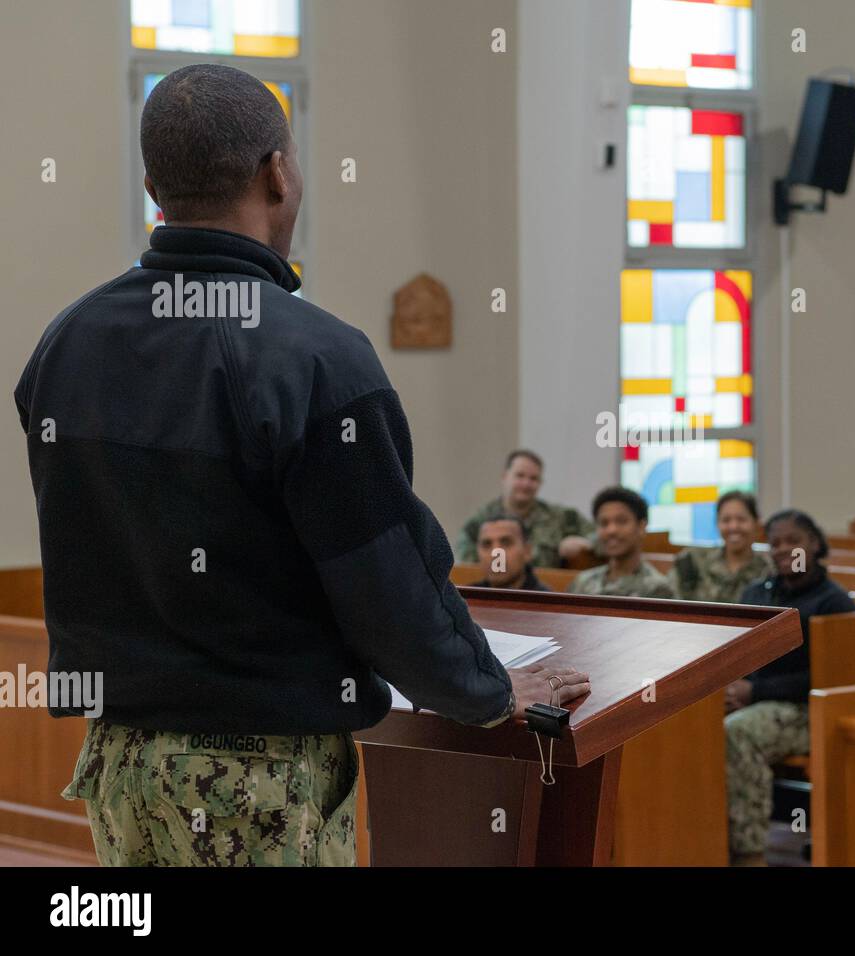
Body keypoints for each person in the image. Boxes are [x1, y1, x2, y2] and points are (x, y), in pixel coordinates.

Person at [13, 64, 589, 867]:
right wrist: (488, 691)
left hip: (120, 766)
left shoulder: (66, 343)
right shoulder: (315, 357)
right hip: (255, 780)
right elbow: (385, 584)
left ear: (153, 186)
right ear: (277, 173)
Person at [727, 510, 855, 865]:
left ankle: (750, 851)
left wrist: (755, 692)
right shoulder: (757, 593)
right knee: (688, 721)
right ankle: (697, 838)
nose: (784, 549)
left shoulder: (834, 602)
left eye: (793, 541)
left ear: (814, 544)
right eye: (775, 543)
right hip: (753, 700)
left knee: (738, 733)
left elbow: (833, 676)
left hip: (807, 709)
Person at [457, 450, 595, 567]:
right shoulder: (484, 519)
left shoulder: (563, 517)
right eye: (520, 476)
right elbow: (465, 559)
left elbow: (605, 539)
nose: (526, 484)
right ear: (505, 477)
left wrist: (586, 544)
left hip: (547, 592)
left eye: (533, 479)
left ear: (540, 483)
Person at [568, 487, 675, 598]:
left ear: (641, 527)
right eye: (604, 523)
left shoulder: (657, 589)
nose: (611, 530)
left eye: (621, 521)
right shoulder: (582, 582)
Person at [668, 491, 773, 603]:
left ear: (756, 523)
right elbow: (671, 601)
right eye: (726, 520)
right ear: (717, 524)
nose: (733, 526)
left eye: (741, 519)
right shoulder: (694, 561)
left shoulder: (768, 571)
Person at [471, 516, 550, 591]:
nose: (495, 554)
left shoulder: (548, 602)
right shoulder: (466, 598)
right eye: (487, 544)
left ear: (527, 551)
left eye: (506, 543)